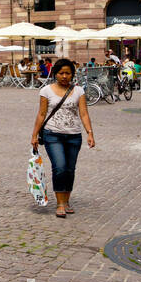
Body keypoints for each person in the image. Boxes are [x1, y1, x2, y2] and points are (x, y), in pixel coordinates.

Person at [31, 58, 96, 219]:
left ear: (72, 74)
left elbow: (83, 113)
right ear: (55, 74)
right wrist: (34, 135)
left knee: (70, 169)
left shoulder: (79, 91)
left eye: (68, 73)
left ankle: (66, 201)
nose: (65, 76)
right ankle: (60, 203)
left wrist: (90, 132)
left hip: (74, 135)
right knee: (59, 166)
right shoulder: (46, 91)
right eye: (61, 73)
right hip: (52, 134)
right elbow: (41, 114)